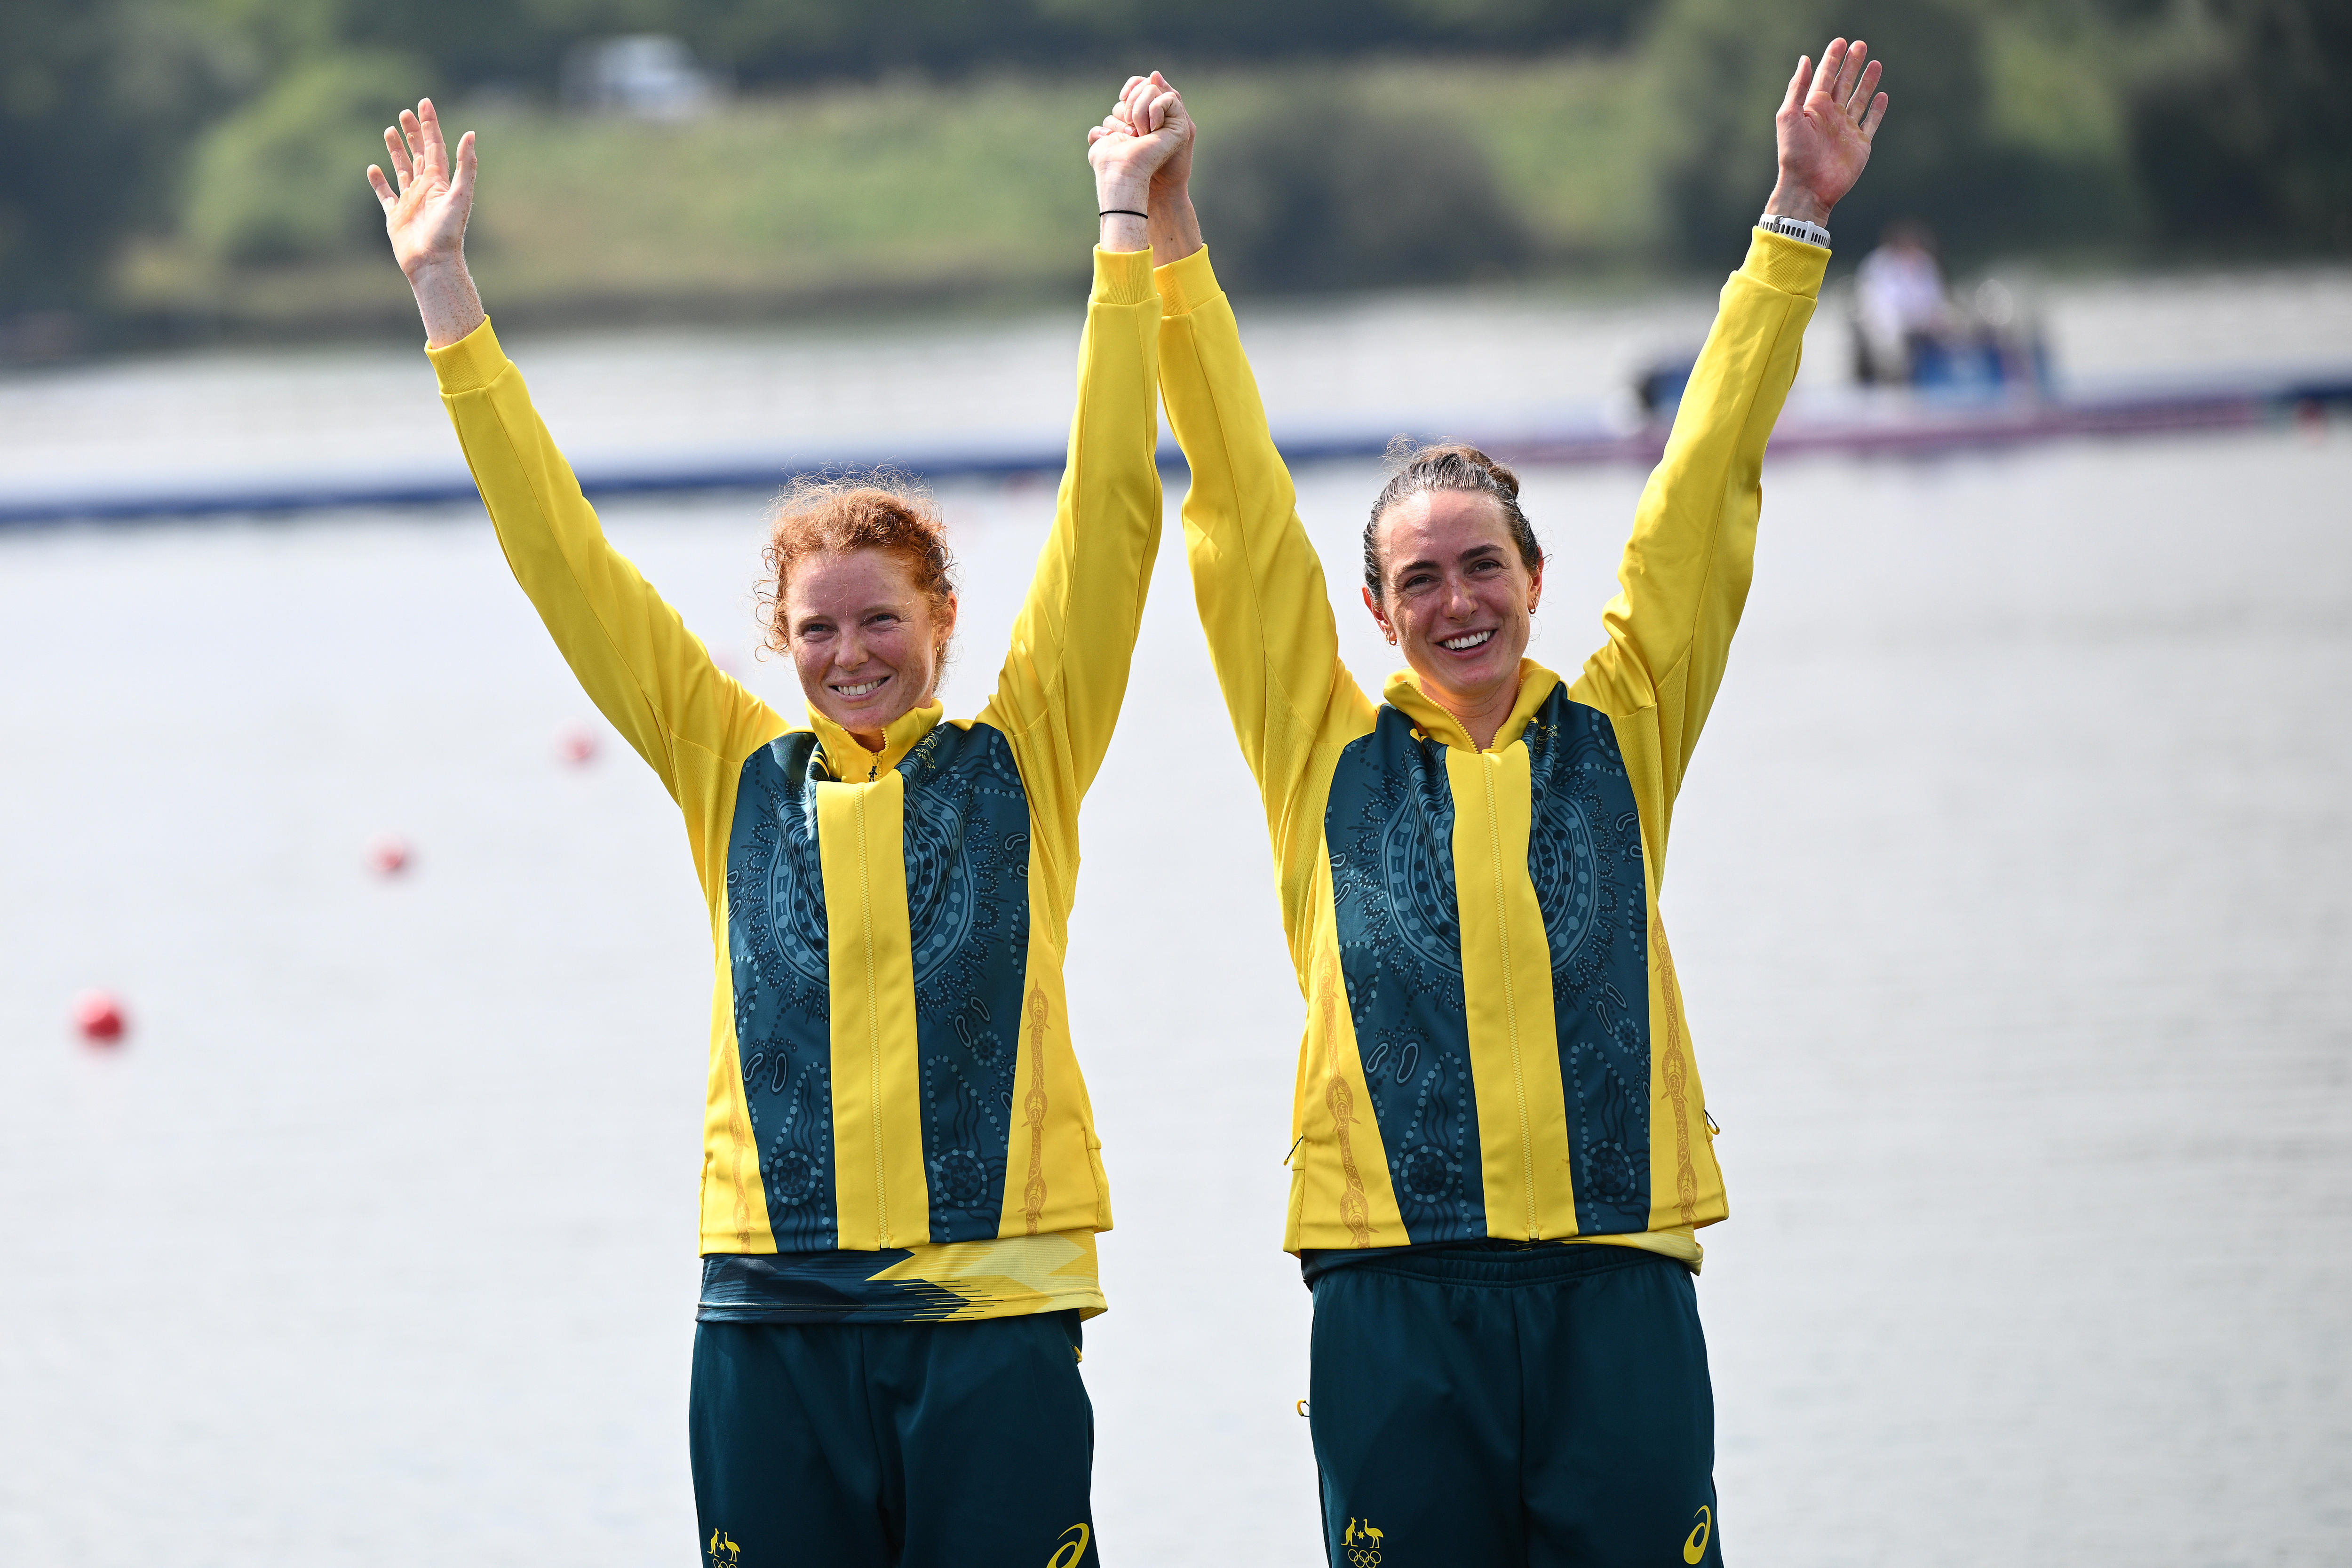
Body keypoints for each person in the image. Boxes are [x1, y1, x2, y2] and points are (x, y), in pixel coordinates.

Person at [365, 86, 1188, 1568]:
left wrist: (1122, 225)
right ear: (779, 641)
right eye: (818, 628)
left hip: (989, 1307)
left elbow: (1116, 507)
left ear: (942, 617)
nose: (851, 652)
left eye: (882, 619)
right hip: (770, 1303)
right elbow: (565, 559)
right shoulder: (726, 763)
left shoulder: (1027, 753)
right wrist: (447, 300)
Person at [1106, 38, 1889, 1567]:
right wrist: (1175, 234)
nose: (1458, 600)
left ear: (1537, 580)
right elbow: (1237, 505)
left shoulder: (1623, 722)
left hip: (1617, 1278)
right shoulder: (1322, 748)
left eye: (1484, 567)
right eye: (1422, 579)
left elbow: (1708, 480)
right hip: (1394, 1291)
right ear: (1377, 610)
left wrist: (1794, 218)